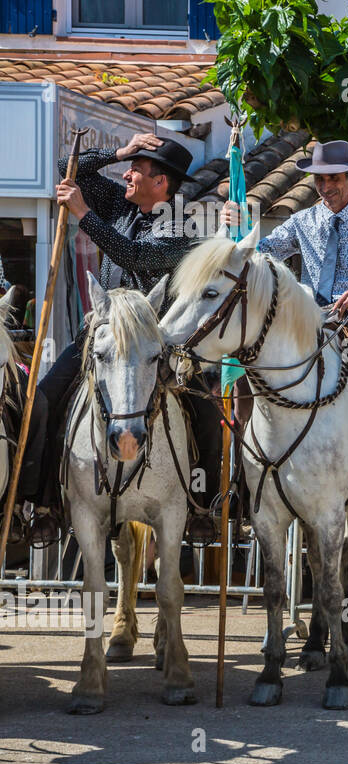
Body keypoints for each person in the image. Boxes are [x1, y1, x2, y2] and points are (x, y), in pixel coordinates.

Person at [28, 133, 221, 546]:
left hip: (158, 336)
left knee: (205, 407)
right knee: (43, 398)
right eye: (130, 166)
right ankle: (43, 503)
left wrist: (84, 215)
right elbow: (68, 167)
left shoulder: (180, 224)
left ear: (162, 183)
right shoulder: (120, 202)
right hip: (102, 329)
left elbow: (137, 256)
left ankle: (204, 505)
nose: (128, 174)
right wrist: (119, 151)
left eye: (138, 169)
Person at [221, 140, 348, 543]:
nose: (327, 186)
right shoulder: (301, 221)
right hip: (309, 322)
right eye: (321, 179)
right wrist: (233, 230)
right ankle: (245, 485)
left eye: (335, 179)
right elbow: (261, 254)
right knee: (243, 382)